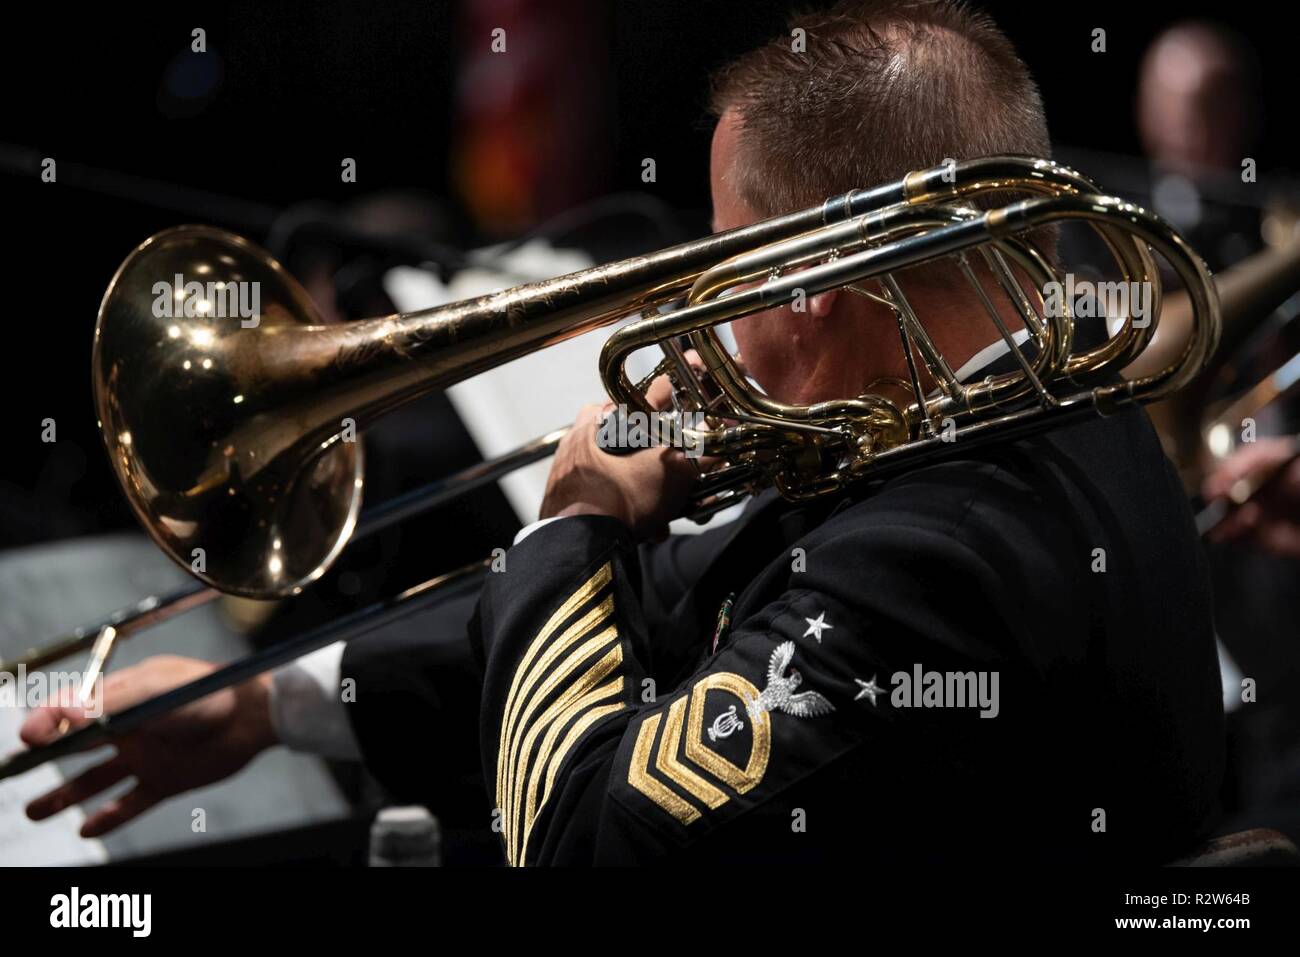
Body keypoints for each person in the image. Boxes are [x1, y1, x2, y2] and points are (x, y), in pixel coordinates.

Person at [18, 0, 1225, 865]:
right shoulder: (1024, 413)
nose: (699, 298)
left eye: (722, 246)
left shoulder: (937, 555)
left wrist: (578, 516)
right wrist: (263, 704)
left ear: (807, 275)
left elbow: (579, 833)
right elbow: (668, 619)